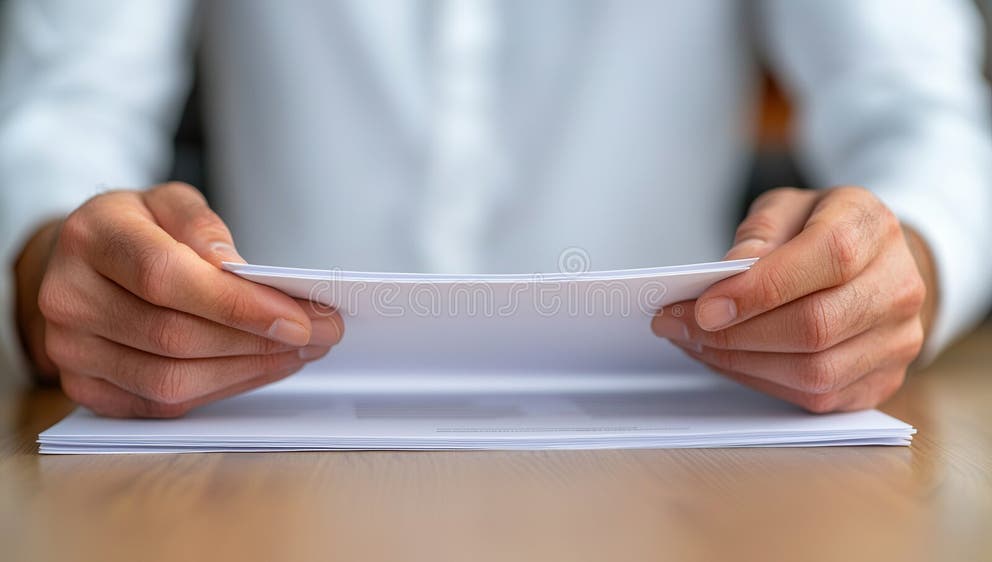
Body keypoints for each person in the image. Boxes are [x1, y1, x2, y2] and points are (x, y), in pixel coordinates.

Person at [1, 1, 990, 418]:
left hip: (673, 455)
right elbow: (60, 108)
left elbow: (925, 118)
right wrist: (51, 260)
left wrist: (896, 254)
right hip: (239, 450)